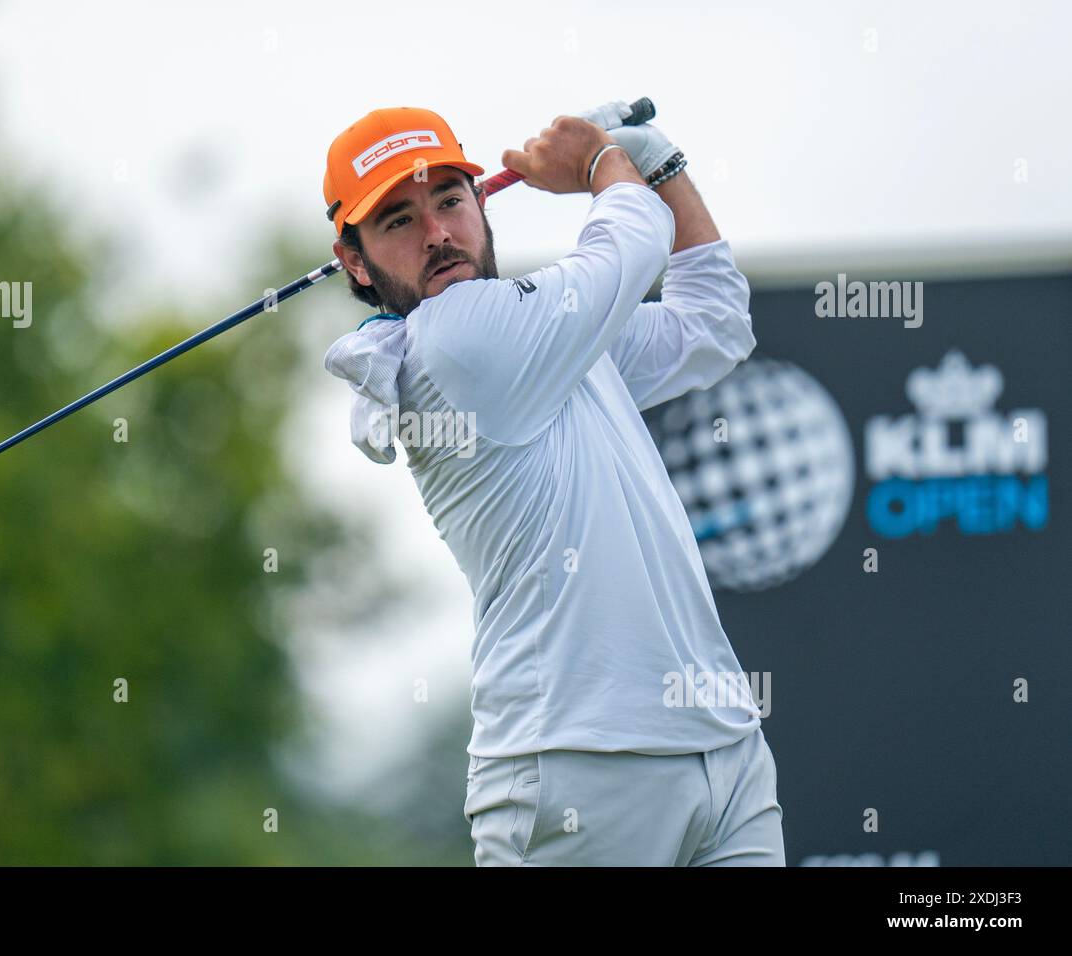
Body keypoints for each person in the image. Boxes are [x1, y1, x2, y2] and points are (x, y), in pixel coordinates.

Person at [321, 103, 784, 866]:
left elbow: (715, 323)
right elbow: (633, 246)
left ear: (480, 202)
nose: (438, 233)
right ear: (355, 261)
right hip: (573, 766)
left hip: (724, 750)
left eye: (448, 201)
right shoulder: (458, 339)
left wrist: (661, 168)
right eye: (399, 221)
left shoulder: (547, 337)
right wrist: (602, 164)